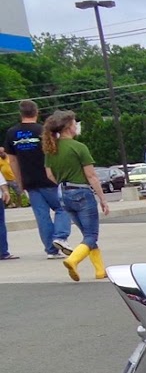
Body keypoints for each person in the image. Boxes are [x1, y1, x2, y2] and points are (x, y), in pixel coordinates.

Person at [41, 111, 110, 280]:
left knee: (87, 233)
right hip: (82, 192)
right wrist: (103, 198)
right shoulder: (79, 147)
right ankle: (73, 260)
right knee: (91, 234)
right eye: (74, 123)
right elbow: (91, 176)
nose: (76, 126)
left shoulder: (52, 149)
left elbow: (49, 175)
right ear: (68, 127)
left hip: (63, 194)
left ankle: (100, 270)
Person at [5, 100, 72, 258]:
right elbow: (54, 153)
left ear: (20, 113)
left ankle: (51, 250)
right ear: (37, 112)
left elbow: (12, 160)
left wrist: (19, 182)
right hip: (48, 178)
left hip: (29, 180)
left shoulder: (12, 133)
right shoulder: (43, 130)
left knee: (42, 216)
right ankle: (60, 236)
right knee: (63, 208)